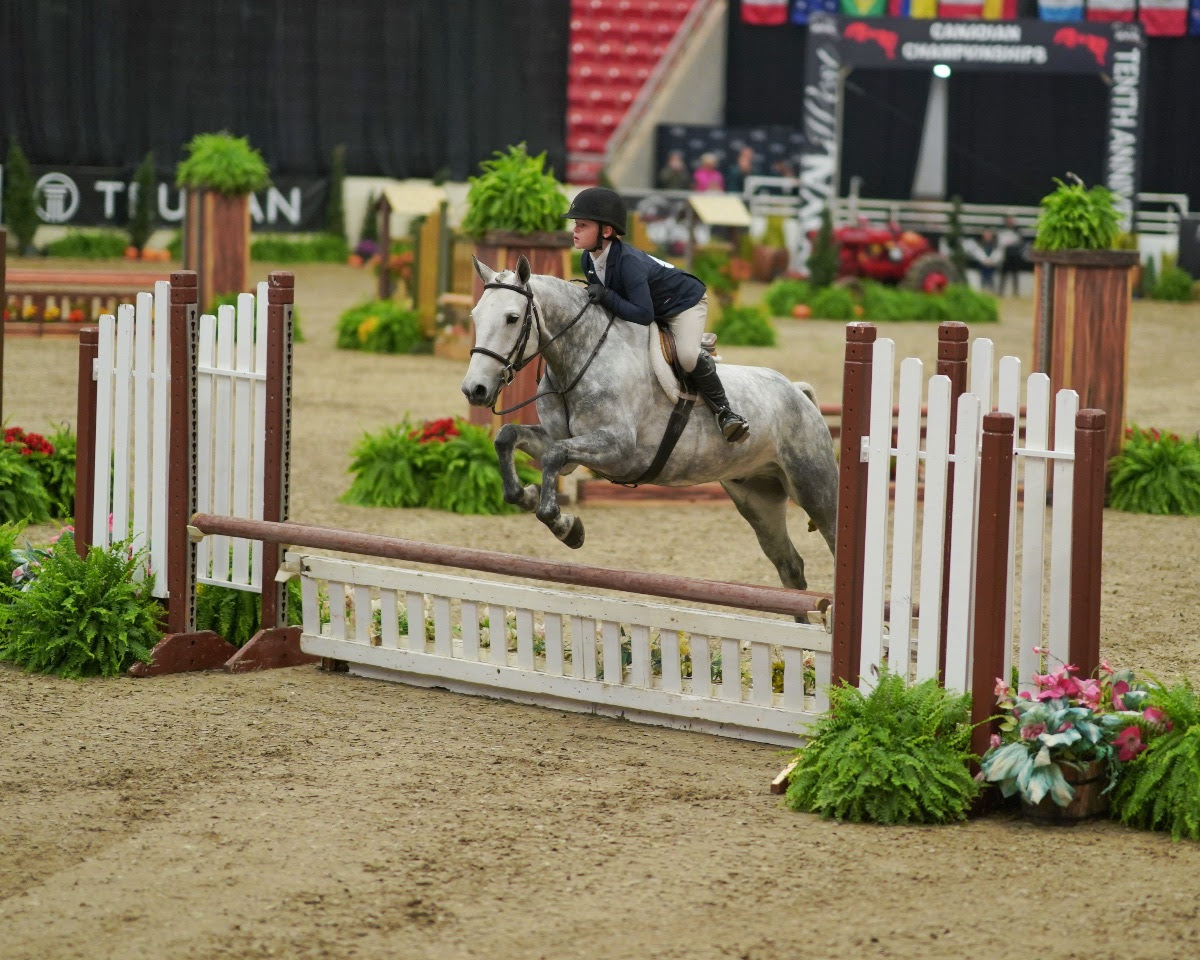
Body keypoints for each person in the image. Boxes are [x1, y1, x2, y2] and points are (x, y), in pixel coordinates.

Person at [563, 187, 749, 442]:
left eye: (582, 225)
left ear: (605, 231)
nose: (575, 230)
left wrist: (606, 296)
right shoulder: (588, 260)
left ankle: (726, 413)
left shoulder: (628, 263)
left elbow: (642, 314)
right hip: (653, 305)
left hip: (683, 303)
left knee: (685, 357)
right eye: (576, 224)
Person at [964, 228, 1004, 293]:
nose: (987, 236)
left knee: (991, 274)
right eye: (986, 234)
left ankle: (992, 290)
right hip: (983, 265)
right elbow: (977, 253)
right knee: (984, 273)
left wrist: (992, 261)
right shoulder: (980, 244)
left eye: (988, 234)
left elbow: (998, 254)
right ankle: (983, 289)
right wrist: (984, 260)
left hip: (993, 265)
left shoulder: (995, 244)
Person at [997, 215, 1028, 297]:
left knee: (1015, 275)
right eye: (1008, 220)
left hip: (1015, 255)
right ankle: (1000, 292)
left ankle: (1016, 292)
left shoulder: (1017, 230)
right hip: (1006, 255)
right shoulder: (1002, 230)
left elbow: (1021, 241)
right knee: (1003, 275)